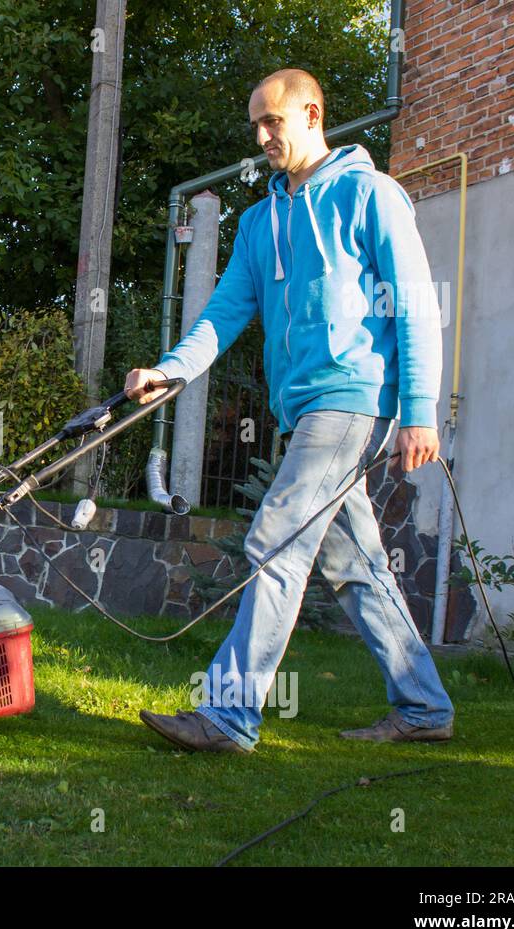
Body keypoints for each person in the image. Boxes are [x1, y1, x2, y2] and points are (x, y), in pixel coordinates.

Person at [126, 68, 454, 754]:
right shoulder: (259, 221)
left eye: (273, 120)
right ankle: (424, 706)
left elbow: (417, 304)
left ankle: (227, 716)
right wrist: (171, 370)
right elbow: (223, 314)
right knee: (356, 562)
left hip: (354, 395)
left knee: (277, 535)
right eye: (256, 124)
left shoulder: (371, 196)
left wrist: (420, 409)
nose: (262, 135)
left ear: (312, 113)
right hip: (303, 409)